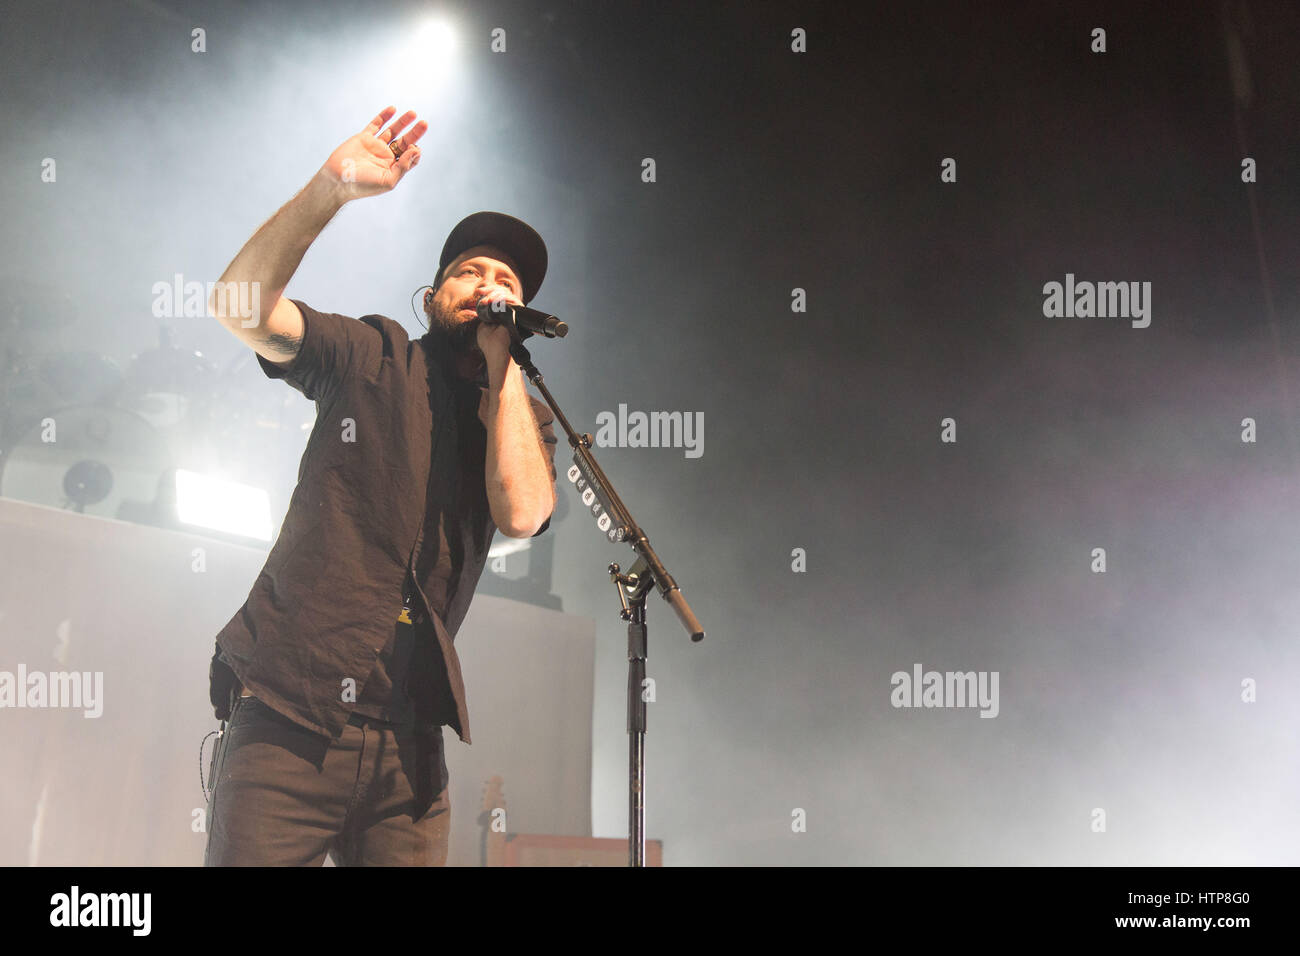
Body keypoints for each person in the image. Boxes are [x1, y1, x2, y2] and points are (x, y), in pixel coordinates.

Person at [202, 106, 559, 866]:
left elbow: (524, 512)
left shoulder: (518, 419)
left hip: (411, 742)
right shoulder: (372, 353)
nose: (488, 285)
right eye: (468, 272)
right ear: (432, 296)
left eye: (505, 281)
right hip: (291, 715)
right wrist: (329, 189)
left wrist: (502, 367)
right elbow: (238, 308)